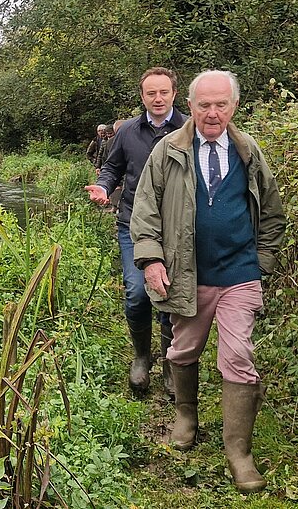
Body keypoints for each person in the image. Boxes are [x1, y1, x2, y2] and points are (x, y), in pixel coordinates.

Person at [128, 70, 286, 492]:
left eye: (221, 105)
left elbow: (271, 212)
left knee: (237, 357)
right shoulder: (168, 151)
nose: (212, 113)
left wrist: (260, 263)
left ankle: (239, 453)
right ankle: (186, 417)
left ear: (233, 106)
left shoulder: (248, 151)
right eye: (204, 105)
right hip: (187, 275)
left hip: (238, 275)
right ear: (191, 106)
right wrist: (151, 260)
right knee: (183, 349)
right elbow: (144, 213)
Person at [84, 68, 187, 398]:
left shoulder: (190, 129)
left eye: (164, 93)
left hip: (177, 227)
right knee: (137, 291)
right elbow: (112, 168)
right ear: (142, 97)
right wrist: (103, 187)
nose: (158, 99)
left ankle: (172, 363)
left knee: (171, 294)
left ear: (174, 94)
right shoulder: (127, 131)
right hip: (133, 223)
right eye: (150, 94)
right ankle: (142, 356)